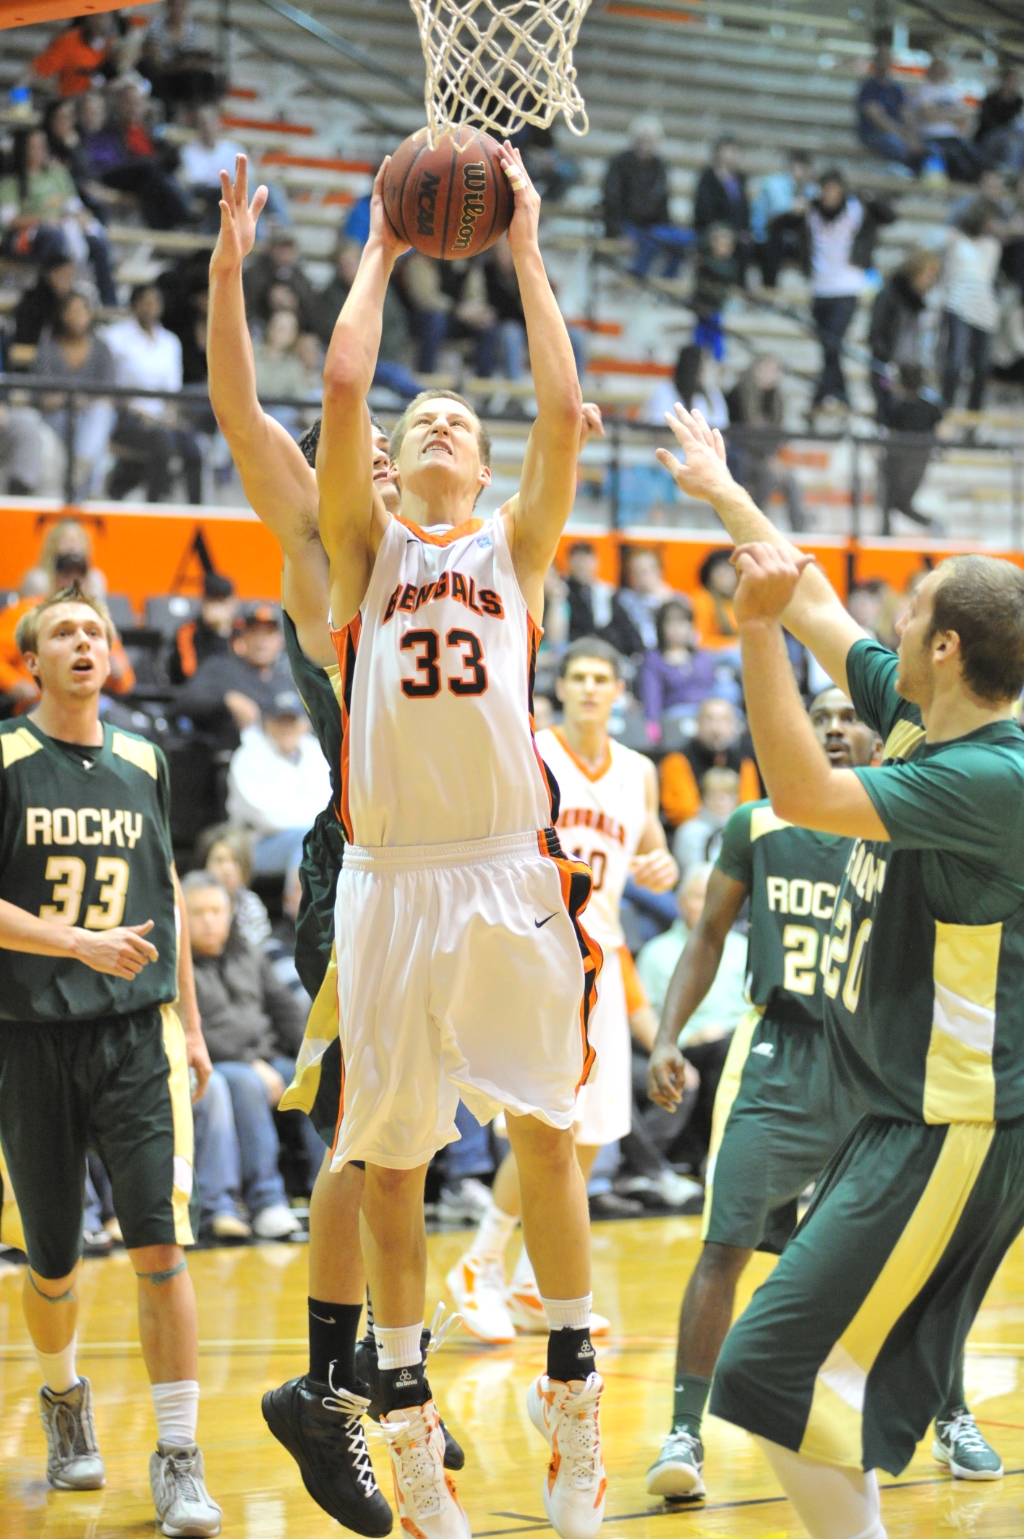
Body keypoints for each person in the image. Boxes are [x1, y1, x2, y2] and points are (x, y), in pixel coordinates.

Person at [657, 401, 1021, 1539]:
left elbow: (805, 793)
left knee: (782, 1374)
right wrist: (724, 493)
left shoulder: (992, 776)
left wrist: (750, 633)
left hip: (956, 1126)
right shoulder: (922, 721)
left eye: (908, 615)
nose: (888, 625)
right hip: (898, 1113)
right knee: (792, 1389)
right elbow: (811, 598)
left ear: (946, 647)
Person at [315, 142, 607, 1539]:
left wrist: (525, 248)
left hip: (501, 866)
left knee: (548, 1131)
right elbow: (338, 387)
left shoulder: (511, 548)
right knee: (391, 1161)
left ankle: (574, 1388)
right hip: (387, 887)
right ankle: (410, 1417)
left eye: (456, 420)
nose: (436, 425)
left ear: (484, 465)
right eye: (421, 415)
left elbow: (563, 403)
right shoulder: (359, 549)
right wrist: (381, 245)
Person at [207, 155, 459, 1535]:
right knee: (373, 1134)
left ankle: (369, 1361)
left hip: (447, 881)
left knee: (406, 1141)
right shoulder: (321, 549)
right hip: (362, 873)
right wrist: (231, 275)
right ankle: (323, 1385)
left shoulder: (451, 568)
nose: (364, 451)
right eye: (346, 443)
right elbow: (246, 410)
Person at [0, 584, 220, 1534]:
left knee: (159, 1247)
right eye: (64, 632)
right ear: (31, 659)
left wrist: (195, 1027)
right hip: (30, 1033)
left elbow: (165, 891)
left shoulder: (145, 759)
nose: (85, 641)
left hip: (138, 1033)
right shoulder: (6, 761)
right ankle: (63, 1397)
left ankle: (179, 1456)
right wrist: (75, 942)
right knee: (52, 1258)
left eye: (95, 630)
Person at [645, 689, 882, 1501]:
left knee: (891, 1264)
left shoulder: (906, 825)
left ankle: (946, 1409)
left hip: (873, 1066)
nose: (831, 728)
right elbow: (708, 933)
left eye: (850, 715)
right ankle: (684, 1428)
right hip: (778, 1054)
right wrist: (669, 1035)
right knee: (725, 1245)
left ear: (882, 733)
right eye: (817, 715)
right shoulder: (758, 820)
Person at [447, 637, 679, 1343]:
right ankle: (478, 1262)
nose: (588, 688)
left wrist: (661, 862)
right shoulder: (536, 751)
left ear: (618, 692)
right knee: (549, 1125)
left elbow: (653, 847)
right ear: (563, 687)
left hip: (603, 955)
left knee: (593, 1133)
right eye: (577, 677)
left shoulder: (639, 770)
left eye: (600, 678)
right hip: (542, 949)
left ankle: (529, 1282)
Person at [183, 870, 310, 1235]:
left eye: (216, 911)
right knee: (245, 1084)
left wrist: (316, 1057)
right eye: (198, 913)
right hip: (219, 1066)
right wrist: (251, 1062)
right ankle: (266, 1202)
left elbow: (285, 1010)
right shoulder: (177, 965)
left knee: (321, 1079)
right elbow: (197, 1033)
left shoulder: (249, 954)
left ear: (229, 914)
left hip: (267, 1060)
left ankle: (331, 1194)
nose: (209, 920)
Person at [104, 283, 203, 504]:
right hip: (127, 415)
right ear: (134, 305)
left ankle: (197, 510)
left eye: (155, 303)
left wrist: (168, 416)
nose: (150, 308)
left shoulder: (170, 342)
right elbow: (109, 387)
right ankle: (155, 506)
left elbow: (173, 391)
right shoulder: (114, 337)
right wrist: (140, 413)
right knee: (163, 443)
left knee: (193, 448)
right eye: (145, 302)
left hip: (162, 417)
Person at [807, 170, 893, 415]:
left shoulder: (857, 209)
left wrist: (872, 199)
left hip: (847, 286)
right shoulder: (810, 211)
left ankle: (826, 395)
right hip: (819, 287)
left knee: (833, 342)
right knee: (827, 347)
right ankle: (836, 394)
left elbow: (889, 217)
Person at [0, 127, 116, 305]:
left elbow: (74, 206)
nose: (40, 150)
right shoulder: (11, 181)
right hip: (25, 236)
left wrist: (83, 219)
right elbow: (9, 220)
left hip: (62, 228)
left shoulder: (58, 175)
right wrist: (44, 220)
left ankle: (109, 302)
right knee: (54, 237)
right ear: (22, 149)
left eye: (42, 145)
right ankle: (48, 297)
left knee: (97, 244)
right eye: (34, 146)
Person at [226, 690, 332, 878]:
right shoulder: (248, 756)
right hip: (258, 845)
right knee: (309, 839)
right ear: (267, 723)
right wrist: (316, 821)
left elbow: (331, 804)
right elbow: (267, 817)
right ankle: (298, 906)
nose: (286, 728)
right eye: (280, 721)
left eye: (292, 721)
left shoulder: (316, 751)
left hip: (313, 835)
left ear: (306, 723)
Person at [77, 83, 195, 232]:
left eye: (96, 111)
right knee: (148, 167)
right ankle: (183, 211)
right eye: (88, 111)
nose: (133, 107)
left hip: (140, 174)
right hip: (109, 175)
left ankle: (162, 227)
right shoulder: (107, 131)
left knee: (153, 178)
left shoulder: (149, 131)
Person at [177, 602, 293, 752]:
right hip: (233, 758)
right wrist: (226, 699)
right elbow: (184, 702)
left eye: (268, 634)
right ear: (243, 636)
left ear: (280, 640)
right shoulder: (221, 667)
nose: (261, 642)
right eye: (255, 632)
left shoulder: (289, 677)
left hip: (288, 763)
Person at [314, 238, 419, 402]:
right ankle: (428, 395)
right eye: (344, 265)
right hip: (352, 361)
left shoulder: (380, 287)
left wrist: (384, 346)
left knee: (397, 377)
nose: (350, 269)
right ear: (338, 269)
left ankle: (426, 397)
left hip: (385, 355)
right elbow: (331, 331)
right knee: (396, 379)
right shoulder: (330, 297)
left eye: (353, 263)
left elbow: (398, 322)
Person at [36, 290, 117, 501]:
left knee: (100, 413)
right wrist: (67, 399)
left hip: (91, 414)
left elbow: (109, 392)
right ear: (62, 315)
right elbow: (40, 395)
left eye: (81, 311)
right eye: (71, 311)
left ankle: (77, 474)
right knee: (87, 437)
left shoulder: (101, 348)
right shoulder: (49, 347)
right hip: (57, 415)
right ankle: (87, 490)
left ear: (90, 315)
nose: (76, 317)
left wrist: (84, 400)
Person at [602, 115, 690, 281]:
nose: (646, 145)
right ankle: (636, 276)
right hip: (627, 224)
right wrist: (617, 232)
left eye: (650, 140)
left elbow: (662, 202)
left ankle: (666, 281)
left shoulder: (660, 167)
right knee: (648, 243)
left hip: (652, 226)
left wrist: (667, 229)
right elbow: (611, 201)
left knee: (682, 243)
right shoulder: (620, 163)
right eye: (642, 140)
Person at [726, 356, 807, 532]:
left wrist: (772, 456)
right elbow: (743, 433)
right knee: (769, 476)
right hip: (740, 455)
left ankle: (799, 529)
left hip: (765, 456)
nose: (770, 374)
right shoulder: (741, 393)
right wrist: (768, 457)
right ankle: (753, 525)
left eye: (774, 370)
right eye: (766, 368)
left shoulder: (776, 398)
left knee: (790, 479)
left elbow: (777, 435)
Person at [658, 695, 760, 830]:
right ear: (697, 723)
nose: (716, 729)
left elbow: (750, 809)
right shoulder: (676, 760)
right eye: (710, 720)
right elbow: (681, 812)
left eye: (724, 721)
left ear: (734, 726)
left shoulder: (744, 762)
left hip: (735, 833)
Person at [940, 199, 1002, 413]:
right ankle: (944, 408)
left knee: (982, 367)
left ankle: (973, 414)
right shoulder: (955, 239)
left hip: (985, 308)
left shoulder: (993, 246)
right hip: (958, 303)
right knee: (955, 362)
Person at [868, 249, 942, 424]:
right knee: (888, 411)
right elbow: (876, 332)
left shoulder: (920, 301)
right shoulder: (890, 294)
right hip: (890, 367)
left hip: (912, 369)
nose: (929, 280)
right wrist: (886, 362)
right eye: (927, 274)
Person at [637, 598, 729, 727]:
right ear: (661, 628)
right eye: (671, 623)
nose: (677, 629)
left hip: (708, 715)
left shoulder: (702, 657)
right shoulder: (653, 660)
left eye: (682, 623)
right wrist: (653, 724)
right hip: (675, 717)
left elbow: (714, 689)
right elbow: (652, 697)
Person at [878, 364, 944, 536]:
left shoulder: (899, 407)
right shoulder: (930, 407)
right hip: (919, 461)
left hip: (900, 461)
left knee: (894, 502)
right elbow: (940, 430)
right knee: (896, 503)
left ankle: (887, 534)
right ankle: (931, 525)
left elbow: (889, 432)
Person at [915, 56, 989, 186]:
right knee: (956, 159)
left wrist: (939, 113)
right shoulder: (923, 90)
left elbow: (962, 114)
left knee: (977, 156)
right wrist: (951, 115)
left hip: (954, 136)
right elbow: (927, 115)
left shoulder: (951, 90)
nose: (939, 72)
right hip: (933, 137)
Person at [197, 824, 271, 947]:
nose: (227, 869)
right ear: (205, 865)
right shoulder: (192, 901)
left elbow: (256, 952)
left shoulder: (251, 903)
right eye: (219, 860)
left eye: (235, 860)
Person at [752, 151, 815, 289]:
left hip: (793, 241)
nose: (799, 174)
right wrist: (797, 206)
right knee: (776, 237)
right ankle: (769, 286)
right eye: (796, 169)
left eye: (803, 169)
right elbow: (778, 212)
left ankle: (812, 280)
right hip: (765, 237)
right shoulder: (773, 184)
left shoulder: (811, 189)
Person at [856, 45, 923, 172]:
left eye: (887, 60)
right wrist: (901, 135)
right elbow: (876, 118)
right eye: (881, 59)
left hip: (897, 132)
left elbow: (906, 113)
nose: (884, 63)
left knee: (927, 147)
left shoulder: (896, 88)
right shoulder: (868, 87)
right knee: (898, 147)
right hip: (873, 133)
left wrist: (912, 136)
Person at [243, 223, 319, 335]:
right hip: (258, 327)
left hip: (292, 332)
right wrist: (267, 297)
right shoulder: (253, 273)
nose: (285, 252)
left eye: (288, 247)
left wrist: (294, 304)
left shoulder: (301, 279)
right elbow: (244, 307)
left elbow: (312, 315)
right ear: (271, 248)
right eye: (280, 247)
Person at [693, 136, 750, 276]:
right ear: (718, 152)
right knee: (718, 243)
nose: (733, 154)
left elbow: (743, 209)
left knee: (746, 245)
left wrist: (737, 230)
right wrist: (720, 229)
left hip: (734, 230)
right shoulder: (708, 177)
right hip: (711, 228)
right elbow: (703, 208)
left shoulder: (740, 179)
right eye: (729, 149)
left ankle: (738, 287)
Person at [168, 572, 236, 684]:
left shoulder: (241, 630)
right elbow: (188, 673)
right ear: (204, 603)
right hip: (200, 696)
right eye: (213, 601)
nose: (218, 608)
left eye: (222, 601)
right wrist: (216, 634)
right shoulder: (188, 631)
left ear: (233, 604)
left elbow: (246, 672)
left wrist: (223, 633)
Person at [673, 765, 740, 877]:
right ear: (704, 797)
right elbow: (691, 874)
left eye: (728, 794)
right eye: (715, 794)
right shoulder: (690, 831)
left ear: (737, 797)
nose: (721, 800)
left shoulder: (743, 830)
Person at [31, 15, 115, 99]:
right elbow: (38, 71)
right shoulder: (68, 42)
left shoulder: (114, 44)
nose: (100, 22)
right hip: (73, 99)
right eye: (96, 17)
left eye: (105, 16)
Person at [12, 251, 77, 347]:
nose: (68, 283)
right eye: (64, 276)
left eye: (70, 277)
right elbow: (26, 340)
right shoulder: (31, 304)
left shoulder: (72, 303)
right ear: (49, 274)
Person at [975, 64, 1024, 176]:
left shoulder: (1017, 101)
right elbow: (988, 123)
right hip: (988, 137)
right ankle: (1010, 175)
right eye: (1012, 81)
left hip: (1008, 135)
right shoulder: (991, 99)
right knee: (1012, 142)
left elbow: (1016, 122)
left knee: (1017, 139)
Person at [690, 547, 739, 649]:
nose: (725, 577)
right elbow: (699, 641)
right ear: (709, 577)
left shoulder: (742, 600)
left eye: (729, 571)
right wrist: (733, 643)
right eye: (720, 573)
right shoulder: (702, 599)